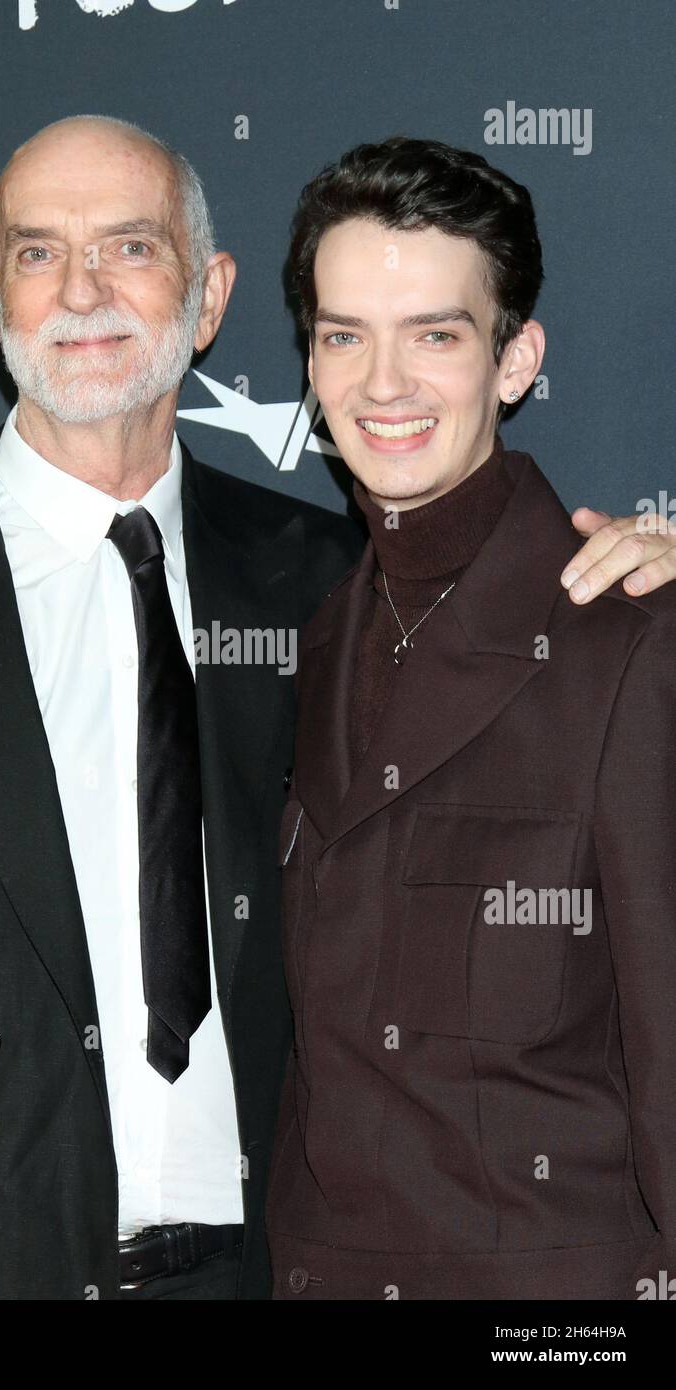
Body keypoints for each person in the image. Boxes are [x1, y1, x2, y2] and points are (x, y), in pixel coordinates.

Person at [0, 117, 671, 1302]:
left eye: (126, 246)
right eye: (36, 252)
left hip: (261, 1272)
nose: (81, 292)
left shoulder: (319, 578)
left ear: (207, 299)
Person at [265, 136, 676, 1301]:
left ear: (514, 359)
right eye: (343, 336)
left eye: (434, 335)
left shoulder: (629, 637)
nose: (380, 386)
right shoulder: (318, 635)